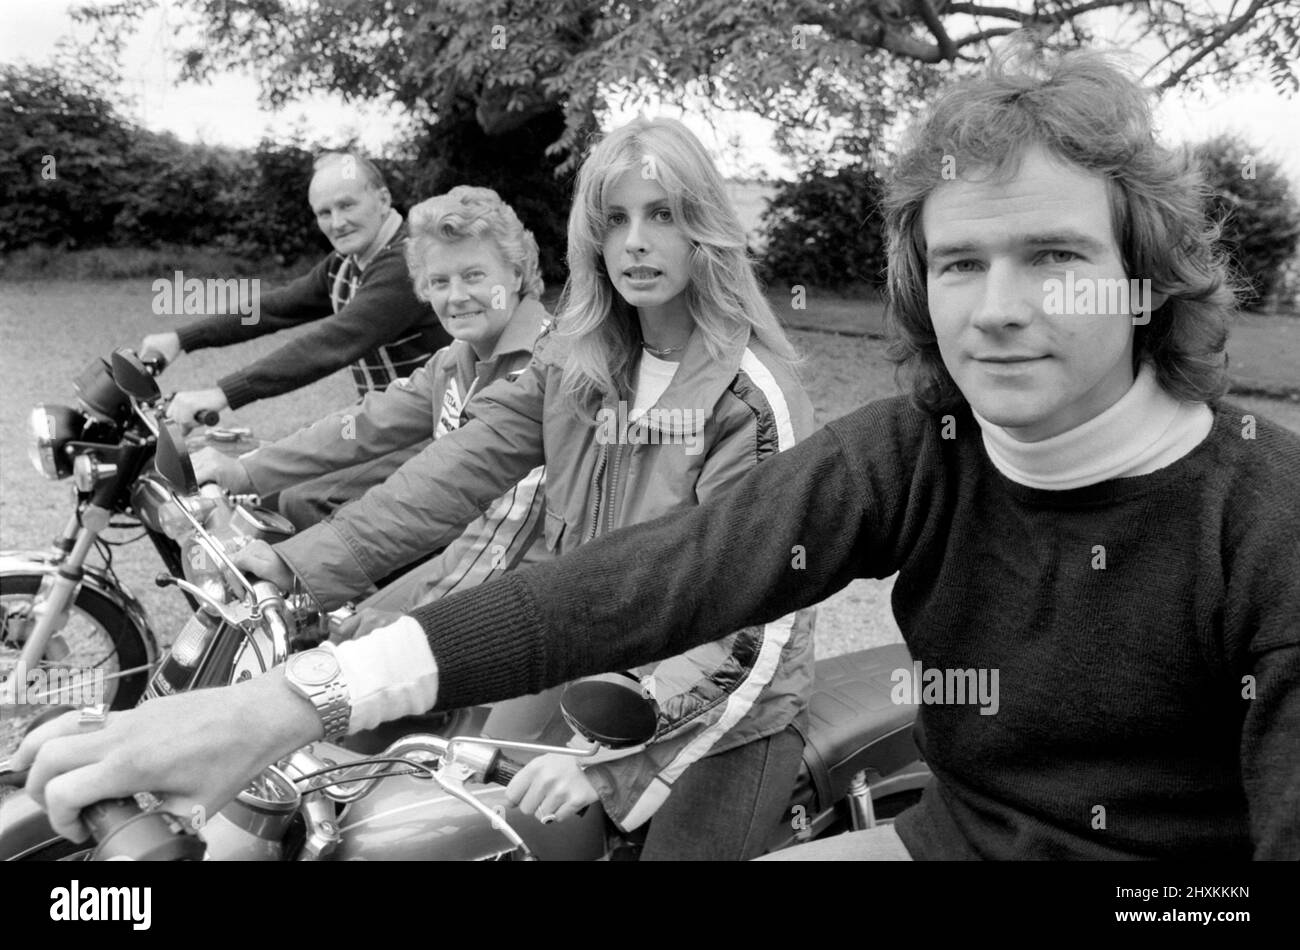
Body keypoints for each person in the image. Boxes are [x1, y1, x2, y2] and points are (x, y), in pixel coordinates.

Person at [16, 43, 1299, 860]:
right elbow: (653, 567)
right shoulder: (921, 440)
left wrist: (627, 756)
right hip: (934, 824)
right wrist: (280, 684)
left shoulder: (1267, 522)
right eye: (961, 261)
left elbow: (746, 631)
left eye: (1056, 258)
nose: (999, 305)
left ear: (1145, 284)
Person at [226, 116, 815, 858]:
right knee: (476, 820)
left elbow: (755, 627)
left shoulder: (750, 398)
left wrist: (614, 767)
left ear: (705, 228)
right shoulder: (574, 361)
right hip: (589, 646)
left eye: (662, 215)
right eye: (616, 218)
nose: (636, 240)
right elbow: (454, 470)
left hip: (723, 704)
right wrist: (298, 562)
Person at [193, 186, 550, 596]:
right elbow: (365, 424)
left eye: (474, 275)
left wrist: (358, 620)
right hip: (468, 549)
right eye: (439, 281)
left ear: (518, 273)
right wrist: (247, 470)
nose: (456, 296)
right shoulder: (457, 358)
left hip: (527, 577)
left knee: (349, 639)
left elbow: (489, 531)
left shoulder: (541, 367)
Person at [143, 150, 453, 527]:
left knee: (303, 499)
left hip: (435, 426)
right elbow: (275, 308)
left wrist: (220, 395)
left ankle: (343, 586)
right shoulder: (349, 262)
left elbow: (333, 344)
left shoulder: (406, 261)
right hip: (381, 422)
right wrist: (181, 338)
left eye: (347, 205)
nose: (336, 222)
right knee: (268, 483)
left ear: (383, 199)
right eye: (324, 213)